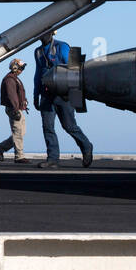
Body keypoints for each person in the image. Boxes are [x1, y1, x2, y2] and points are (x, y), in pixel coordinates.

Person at [33, 31, 93, 169]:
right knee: (48, 128)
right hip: (46, 95)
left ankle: (86, 146)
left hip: (63, 95)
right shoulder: (38, 52)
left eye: (45, 32)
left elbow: (73, 70)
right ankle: (52, 159)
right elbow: (37, 74)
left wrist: (74, 95)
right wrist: (36, 95)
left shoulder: (62, 47)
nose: (42, 35)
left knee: (69, 126)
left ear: (52, 33)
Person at [0, 58, 31, 164]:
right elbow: (11, 95)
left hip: (18, 109)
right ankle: (19, 156)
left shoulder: (15, 78)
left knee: (20, 133)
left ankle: (1, 147)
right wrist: (15, 109)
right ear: (15, 68)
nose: (22, 70)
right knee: (18, 132)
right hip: (14, 109)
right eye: (21, 68)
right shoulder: (10, 79)